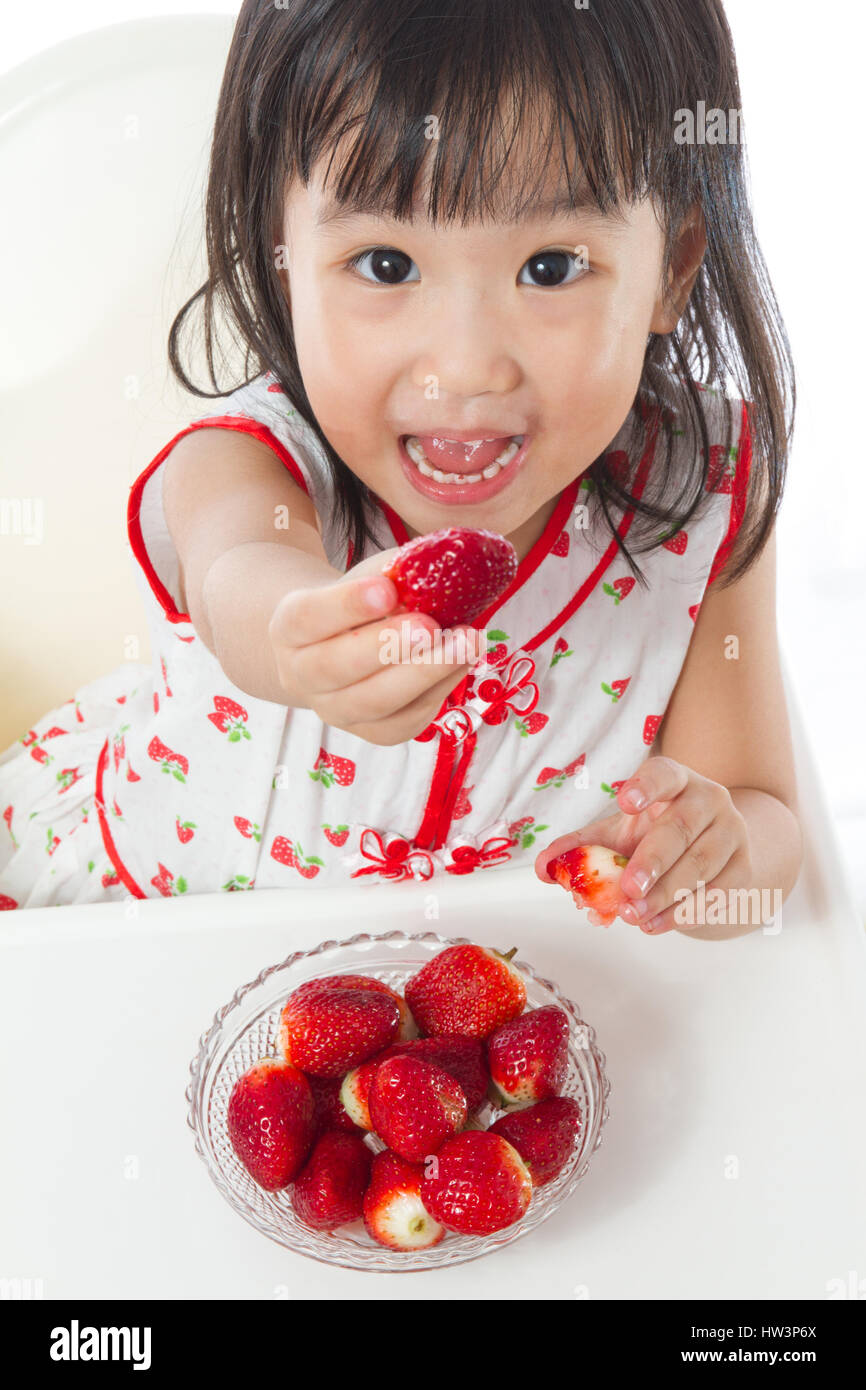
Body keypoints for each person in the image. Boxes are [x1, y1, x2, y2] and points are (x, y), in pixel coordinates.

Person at [0, 0, 802, 937]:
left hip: (457, 997)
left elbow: (761, 805)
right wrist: (297, 636)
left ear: (672, 267)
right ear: (285, 256)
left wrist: (712, 857)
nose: (463, 367)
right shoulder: (250, 462)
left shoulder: (702, 490)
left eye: (549, 268)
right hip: (130, 938)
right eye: (385, 264)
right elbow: (239, 580)